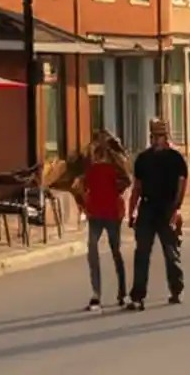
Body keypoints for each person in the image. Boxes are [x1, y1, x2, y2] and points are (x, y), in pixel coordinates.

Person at [126, 118, 188, 311]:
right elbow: (137, 186)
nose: (157, 139)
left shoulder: (176, 159)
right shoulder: (143, 159)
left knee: (171, 252)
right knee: (142, 253)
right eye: (154, 136)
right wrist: (131, 212)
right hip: (147, 208)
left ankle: (176, 289)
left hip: (167, 208)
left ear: (166, 137)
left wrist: (177, 209)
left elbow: (182, 184)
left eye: (160, 136)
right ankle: (138, 295)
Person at [80, 131, 131, 311]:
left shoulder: (115, 163)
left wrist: (114, 192)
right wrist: (85, 201)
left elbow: (127, 180)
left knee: (115, 251)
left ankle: (122, 293)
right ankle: (96, 294)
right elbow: (84, 184)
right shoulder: (90, 164)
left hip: (111, 213)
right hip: (95, 213)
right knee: (92, 249)